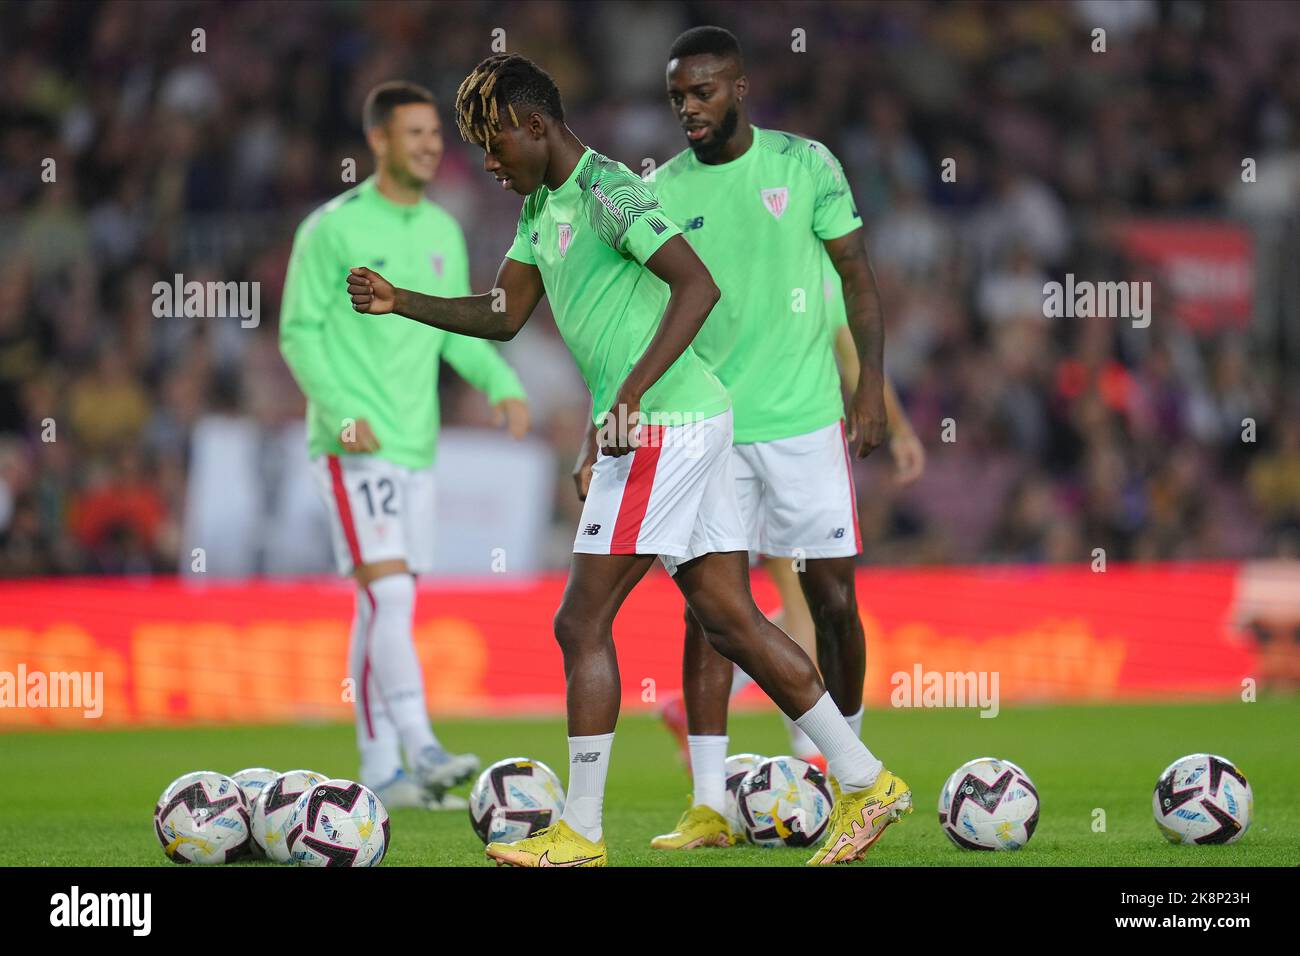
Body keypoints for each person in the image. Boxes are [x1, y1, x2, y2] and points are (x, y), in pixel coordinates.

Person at [346, 53, 911, 866]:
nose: (488, 162)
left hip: (666, 423)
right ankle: (865, 780)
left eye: (494, 142)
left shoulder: (611, 191)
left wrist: (630, 395)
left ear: (535, 125)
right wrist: (404, 302)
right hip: (680, 418)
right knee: (731, 618)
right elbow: (505, 312)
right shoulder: (543, 208)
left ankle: (578, 833)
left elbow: (696, 285)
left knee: (579, 619)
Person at [620, 26, 921, 849]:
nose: (688, 106)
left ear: (740, 88)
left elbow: (857, 278)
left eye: (704, 91)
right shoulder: (658, 189)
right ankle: (709, 803)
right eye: (678, 94)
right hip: (708, 427)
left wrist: (871, 389)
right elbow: (649, 309)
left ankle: (846, 768)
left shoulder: (806, 164)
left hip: (803, 423)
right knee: (709, 612)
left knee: (832, 600)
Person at [279, 81, 530, 811]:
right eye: (414, 132)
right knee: (388, 592)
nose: (429, 144)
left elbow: (455, 326)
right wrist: (342, 409)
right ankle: (420, 743)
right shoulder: (330, 229)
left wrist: (501, 384)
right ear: (379, 142)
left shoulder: (442, 232)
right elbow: (298, 331)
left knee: (381, 607)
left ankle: (382, 769)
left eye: (434, 133)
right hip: (354, 443)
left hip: (416, 446)